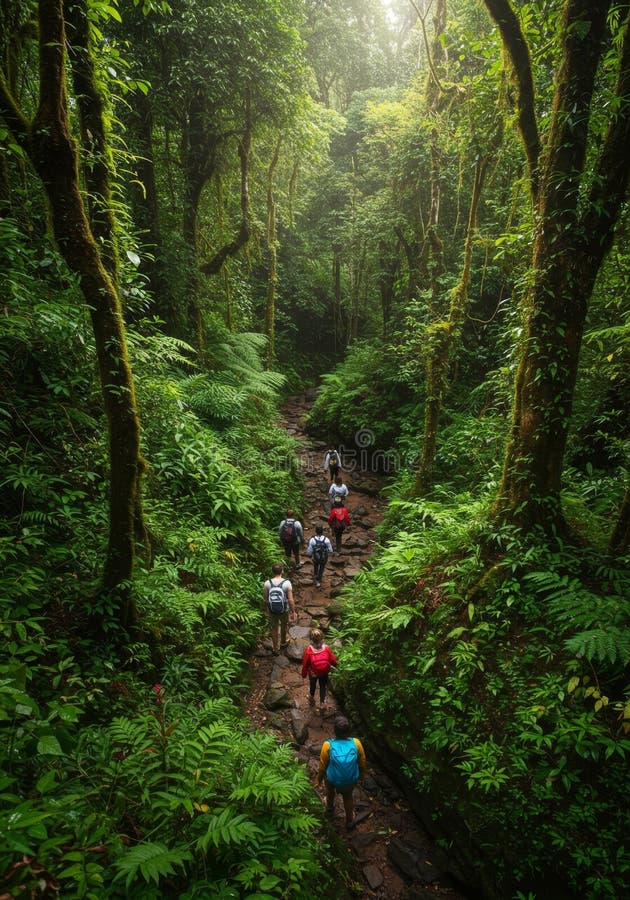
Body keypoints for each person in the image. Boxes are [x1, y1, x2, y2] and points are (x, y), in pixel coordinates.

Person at [317, 715, 366, 829]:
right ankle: (349, 821)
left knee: (330, 792)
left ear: (335, 731)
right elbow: (362, 762)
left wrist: (318, 779)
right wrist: (362, 776)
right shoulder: (356, 743)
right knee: (348, 797)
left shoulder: (327, 745)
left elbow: (322, 766)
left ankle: (329, 809)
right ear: (348, 731)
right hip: (349, 780)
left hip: (333, 780)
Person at [263, 563, 296, 654]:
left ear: (272, 572)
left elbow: (266, 599)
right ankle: (283, 643)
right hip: (284, 610)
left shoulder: (267, 583)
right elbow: (290, 600)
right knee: (284, 626)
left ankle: (275, 648)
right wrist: (293, 611)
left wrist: (265, 609)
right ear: (282, 571)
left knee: (274, 628)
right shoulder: (287, 583)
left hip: (272, 610)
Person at [301, 627, 337, 710]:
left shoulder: (309, 650)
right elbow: (332, 659)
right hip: (324, 672)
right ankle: (322, 703)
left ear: (311, 640)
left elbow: (305, 663)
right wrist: (335, 665)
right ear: (322, 639)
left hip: (313, 673)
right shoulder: (326, 648)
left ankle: (311, 696)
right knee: (323, 686)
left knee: (312, 684)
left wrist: (304, 673)